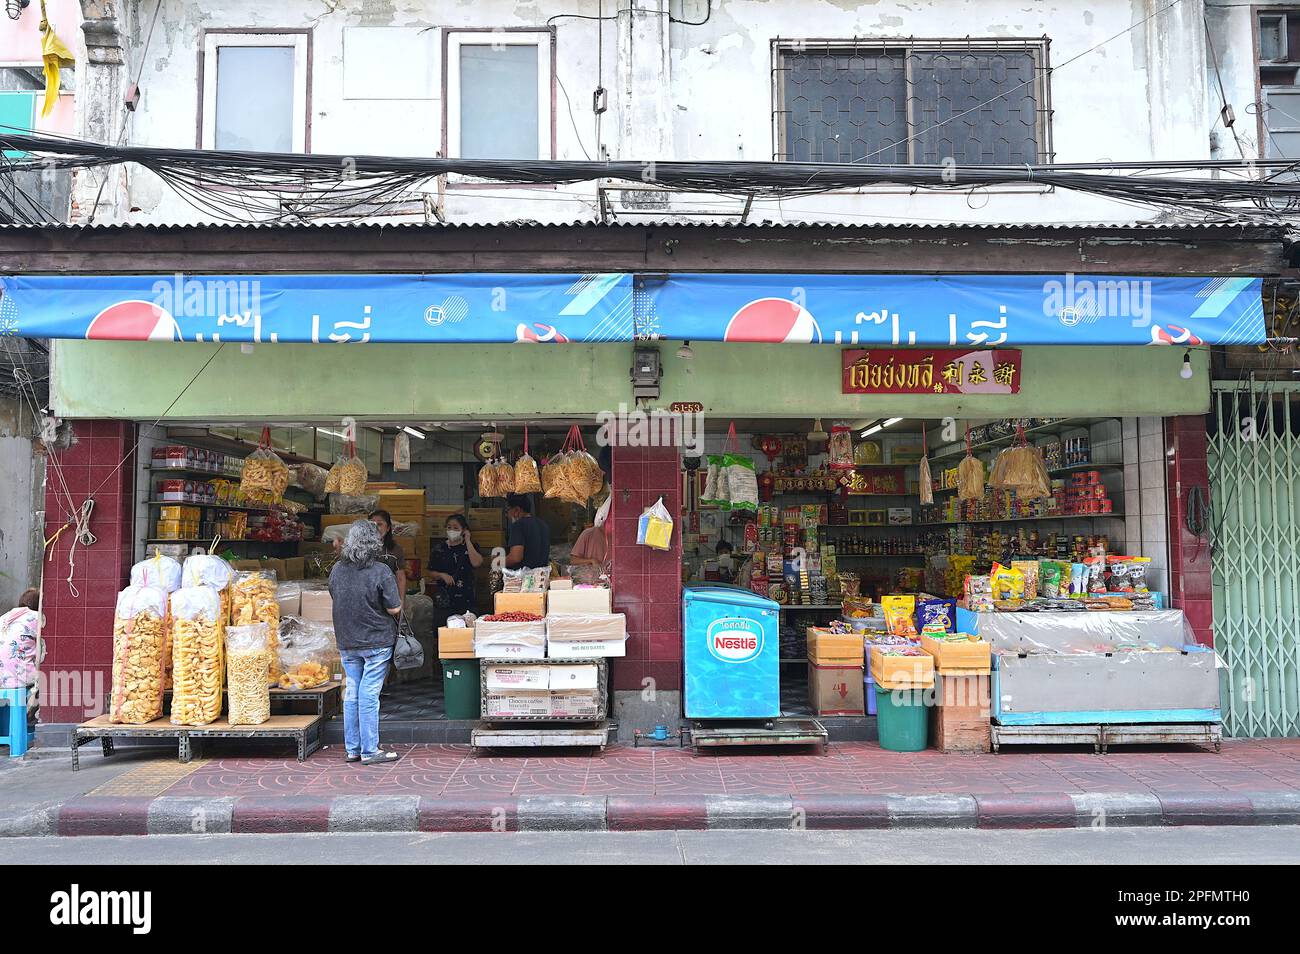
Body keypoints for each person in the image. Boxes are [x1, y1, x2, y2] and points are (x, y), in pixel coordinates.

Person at [329, 520, 403, 765]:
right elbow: (394, 608)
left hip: (347, 641)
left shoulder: (337, 570)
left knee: (352, 693)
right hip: (376, 641)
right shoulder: (381, 570)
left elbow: (335, 596)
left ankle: (353, 749)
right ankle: (370, 750)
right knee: (369, 694)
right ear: (375, 543)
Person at [0, 589, 43, 721]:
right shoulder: (37, 617)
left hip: (1, 679)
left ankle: (12, 725)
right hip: (18, 680)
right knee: (53, 678)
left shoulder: (3, 618)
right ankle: (28, 719)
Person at [427, 513, 482, 616]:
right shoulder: (439, 549)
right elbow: (431, 571)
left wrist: (468, 540)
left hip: (466, 599)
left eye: (456, 528)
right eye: (449, 527)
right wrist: (441, 575)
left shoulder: (471, 547)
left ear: (464, 530)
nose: (452, 530)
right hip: (445, 600)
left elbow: (476, 563)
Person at [505, 493, 551, 570]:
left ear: (517, 510)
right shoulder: (543, 524)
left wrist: (497, 562)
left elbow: (515, 557)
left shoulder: (518, 525)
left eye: (508, 510)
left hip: (525, 579)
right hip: (542, 576)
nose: (507, 515)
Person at [368, 509, 407, 599]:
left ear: (388, 528)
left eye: (379, 524)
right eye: (372, 524)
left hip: (388, 596)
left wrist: (401, 603)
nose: (375, 528)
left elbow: (400, 577)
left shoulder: (396, 549)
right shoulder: (360, 549)